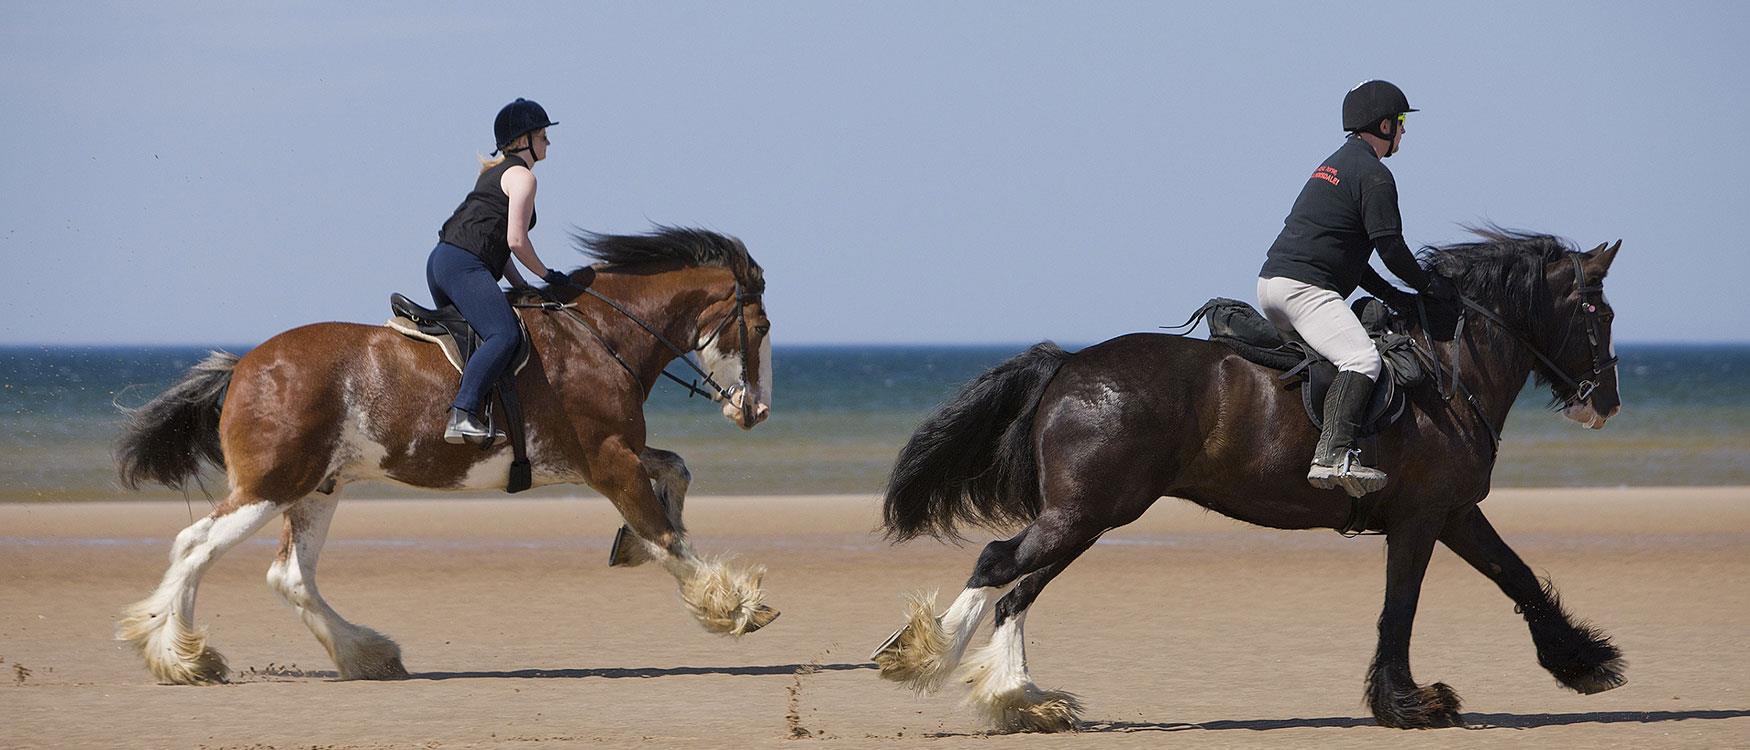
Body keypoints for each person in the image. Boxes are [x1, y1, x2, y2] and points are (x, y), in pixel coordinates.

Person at [1257, 80, 1454, 496]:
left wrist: (1395, 296)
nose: (1404, 132)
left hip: (1273, 284)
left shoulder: (1333, 165)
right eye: (1400, 123)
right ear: (1384, 126)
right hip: (1305, 291)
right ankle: (1333, 454)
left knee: (1328, 360)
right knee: (1362, 360)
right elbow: (1391, 247)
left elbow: (1350, 256)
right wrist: (1428, 285)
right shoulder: (1375, 175)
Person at [428, 98, 585, 445]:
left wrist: (522, 285)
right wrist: (548, 275)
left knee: (477, 338)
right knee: (505, 335)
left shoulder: (493, 174)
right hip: (464, 264)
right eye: (543, 136)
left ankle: (481, 407)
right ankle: (463, 413)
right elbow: (516, 240)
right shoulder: (524, 178)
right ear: (524, 140)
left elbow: (498, 246)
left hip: (443, 262)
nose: (548, 143)